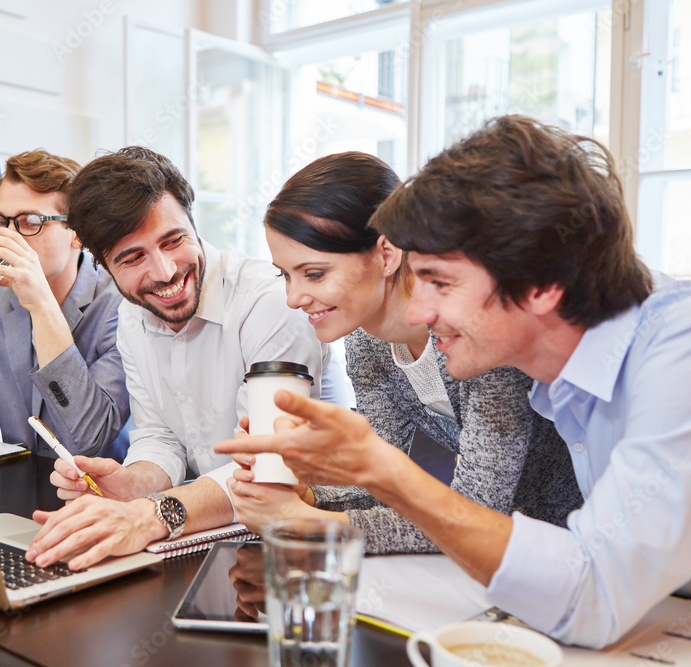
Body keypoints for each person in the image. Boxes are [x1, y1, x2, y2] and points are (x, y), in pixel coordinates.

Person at [216, 115, 691, 648]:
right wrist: (329, 484)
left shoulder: (690, 346)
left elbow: (592, 593)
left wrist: (374, 475)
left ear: (541, 283)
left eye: (439, 283)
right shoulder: (559, 379)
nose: (421, 309)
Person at [227, 152, 582, 551]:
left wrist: (308, 521)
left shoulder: (474, 334)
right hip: (499, 557)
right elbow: (384, 483)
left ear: (387, 254)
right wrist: (307, 494)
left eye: (314, 273)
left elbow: (474, 511)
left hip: (567, 548)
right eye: (285, 275)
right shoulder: (366, 344)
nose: (293, 298)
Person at [23, 146, 347, 572]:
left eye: (173, 241)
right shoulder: (132, 315)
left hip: (315, 540)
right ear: (102, 266)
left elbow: (271, 471)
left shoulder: (270, 302)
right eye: (133, 258)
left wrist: (150, 514)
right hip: (224, 536)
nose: (164, 272)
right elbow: (160, 436)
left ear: (194, 222)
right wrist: (131, 483)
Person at [0, 150, 131, 485]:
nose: (9, 238)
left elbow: (90, 437)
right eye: (0, 222)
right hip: (23, 490)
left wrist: (41, 304)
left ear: (78, 233)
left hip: (104, 497)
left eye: (29, 223)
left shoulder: (120, 303)